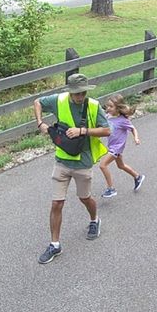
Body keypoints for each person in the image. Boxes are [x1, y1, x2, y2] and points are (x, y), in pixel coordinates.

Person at [33, 73, 111, 264]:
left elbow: (107, 130)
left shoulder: (93, 105)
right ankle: (55, 245)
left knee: (85, 198)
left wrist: (82, 131)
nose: (79, 97)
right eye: (76, 94)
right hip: (62, 160)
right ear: (69, 92)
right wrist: (40, 123)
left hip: (83, 162)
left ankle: (94, 220)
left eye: (82, 93)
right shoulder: (58, 101)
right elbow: (37, 102)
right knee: (56, 203)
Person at [99, 94, 145, 198]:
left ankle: (111, 189)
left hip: (117, 148)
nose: (108, 108)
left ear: (118, 108)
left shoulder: (123, 120)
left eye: (111, 106)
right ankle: (137, 177)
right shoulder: (108, 117)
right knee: (121, 165)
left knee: (103, 165)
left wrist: (136, 138)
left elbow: (133, 128)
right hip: (111, 146)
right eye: (107, 106)